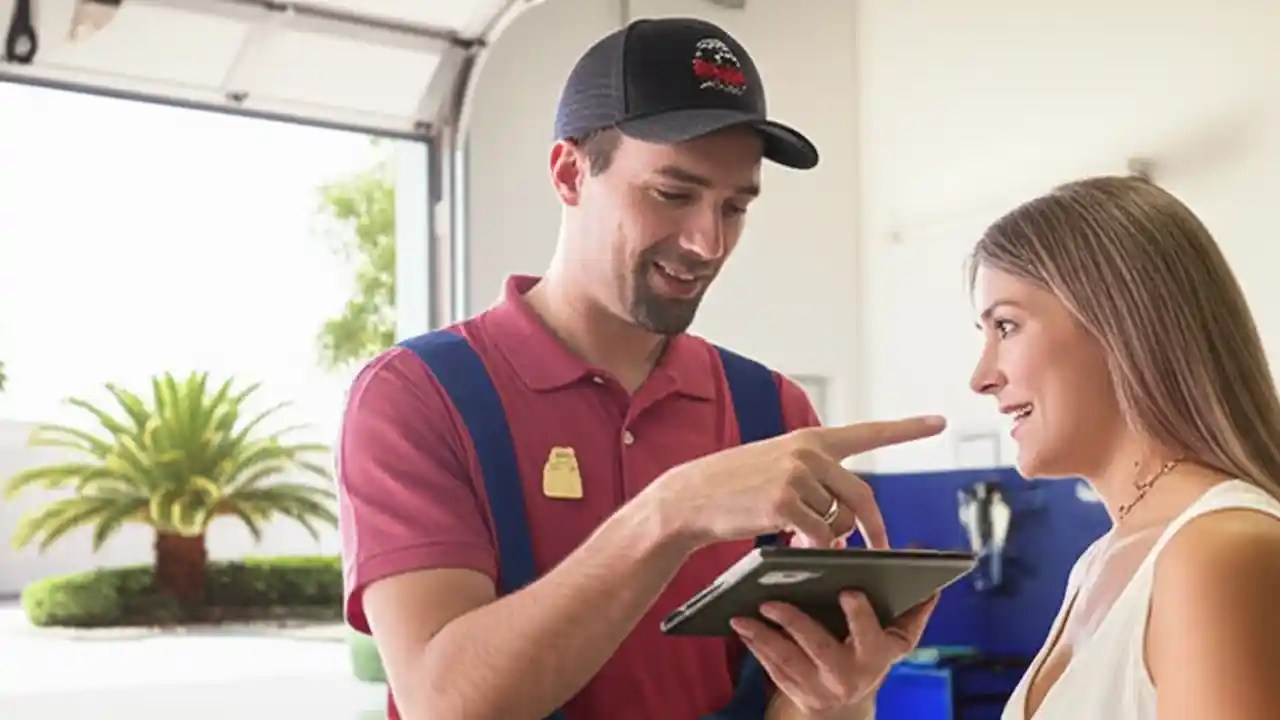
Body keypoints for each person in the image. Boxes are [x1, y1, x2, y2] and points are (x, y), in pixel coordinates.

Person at [337, 16, 945, 720]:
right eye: (673, 194)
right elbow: (447, 706)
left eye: (735, 205)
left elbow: (796, 706)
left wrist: (838, 695)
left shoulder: (771, 413)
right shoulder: (416, 398)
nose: (707, 241)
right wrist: (673, 512)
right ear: (570, 173)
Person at [966, 175, 1280, 720]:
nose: (981, 376)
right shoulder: (1097, 564)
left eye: (1008, 327)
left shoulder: (1218, 549)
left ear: (1119, 324)